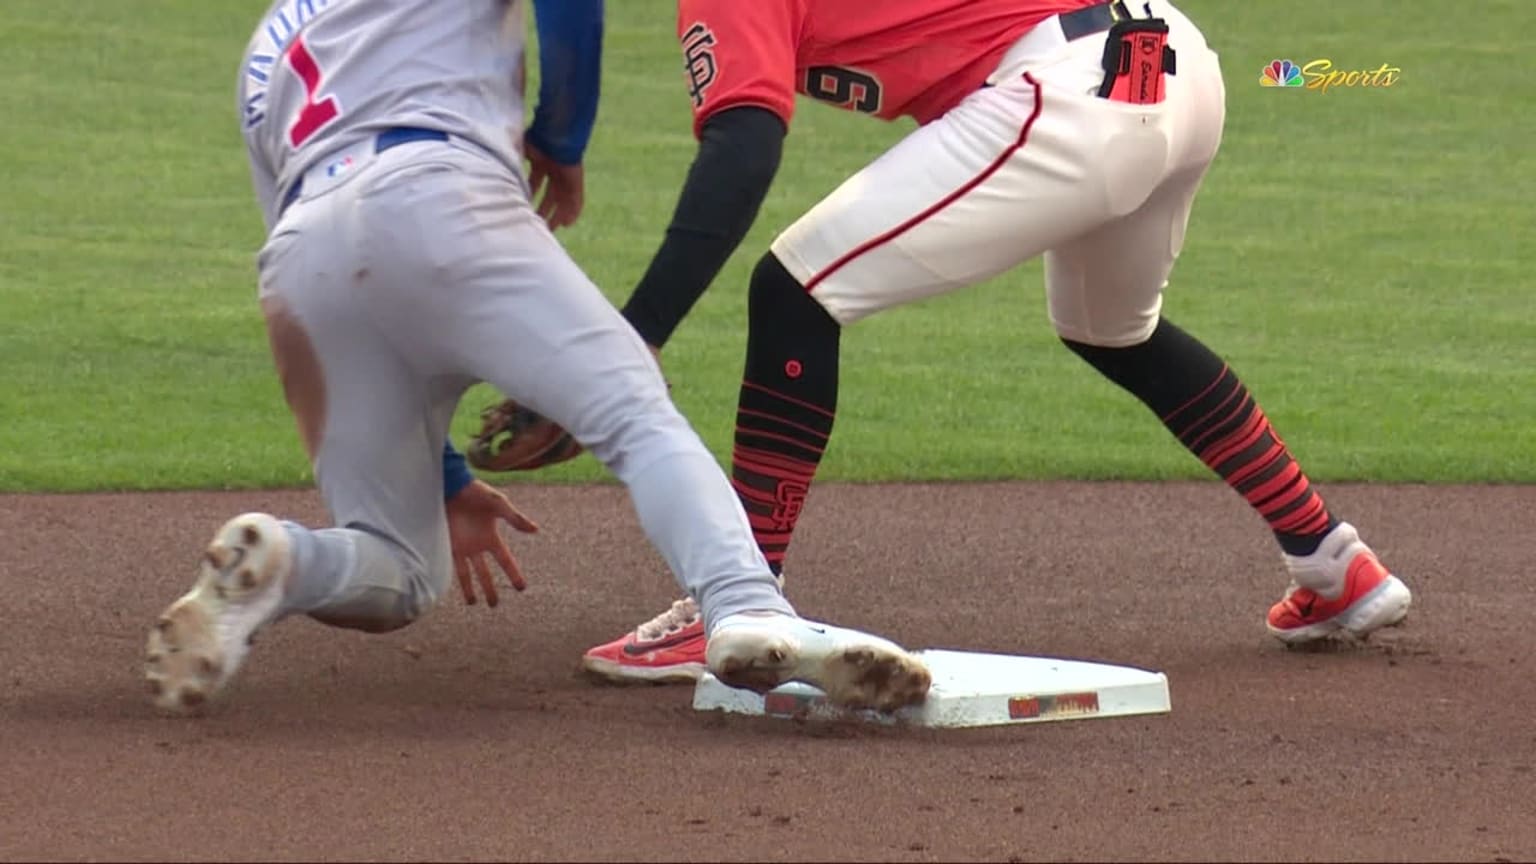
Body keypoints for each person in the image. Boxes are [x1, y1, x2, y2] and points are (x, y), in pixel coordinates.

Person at [468, 0, 1413, 683]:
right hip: (1172, 58)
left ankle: (738, 597)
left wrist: (620, 354)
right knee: (1114, 329)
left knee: (795, 290)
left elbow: (742, 154)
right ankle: (1333, 563)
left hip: (1069, 89)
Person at [142, 0, 932, 715]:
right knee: (632, 410)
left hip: (303, 260)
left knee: (401, 570)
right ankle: (746, 604)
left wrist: (444, 478)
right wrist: (560, 140)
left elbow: (325, 241)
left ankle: (284, 561)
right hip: (438, 195)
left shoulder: (269, 42)